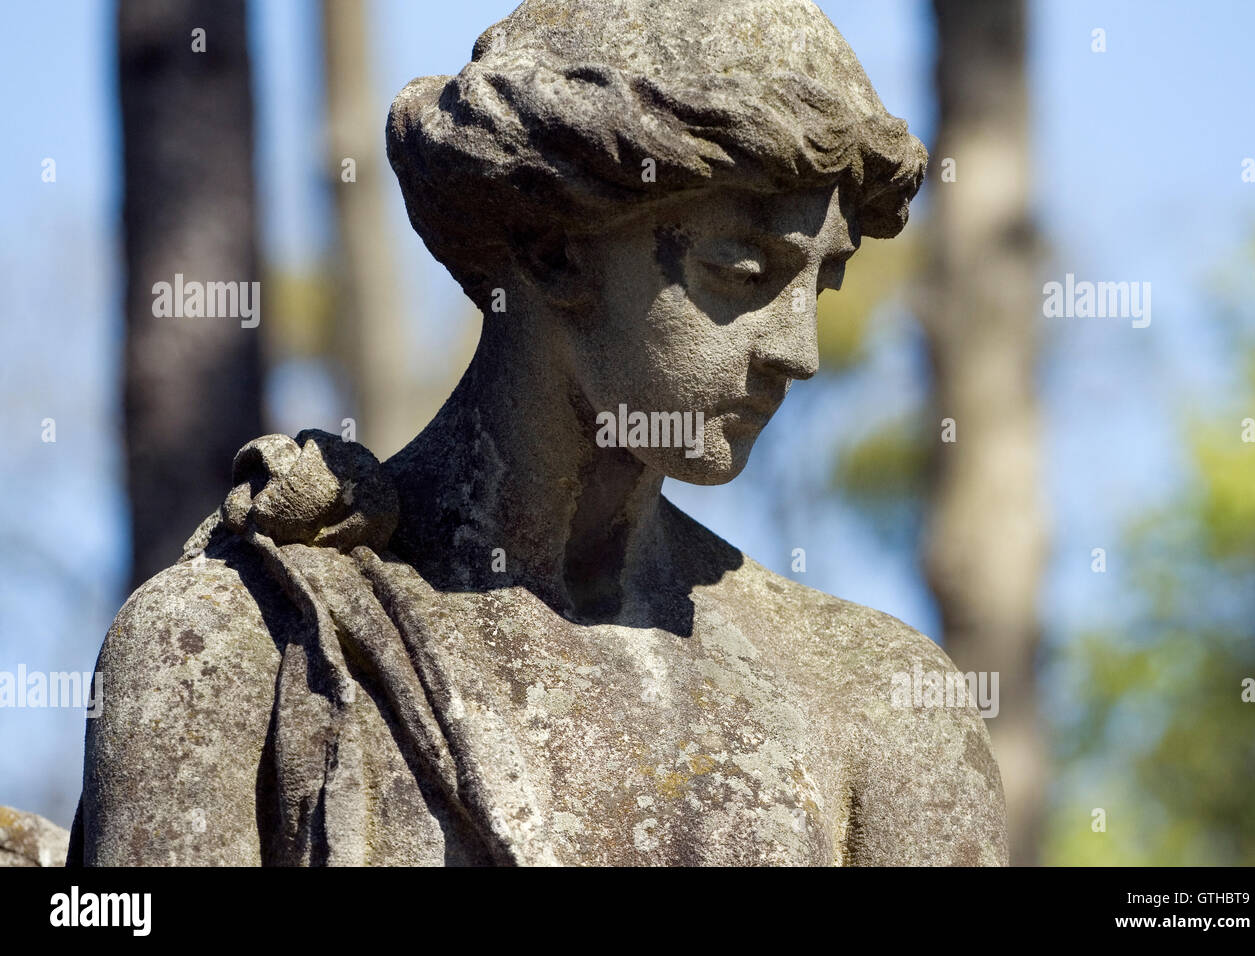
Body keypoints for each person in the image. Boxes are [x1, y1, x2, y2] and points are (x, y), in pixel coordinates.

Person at [70, 0, 1007, 866]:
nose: (799, 351)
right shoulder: (233, 651)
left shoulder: (878, 703)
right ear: (555, 251)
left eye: (823, 285)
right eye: (746, 269)